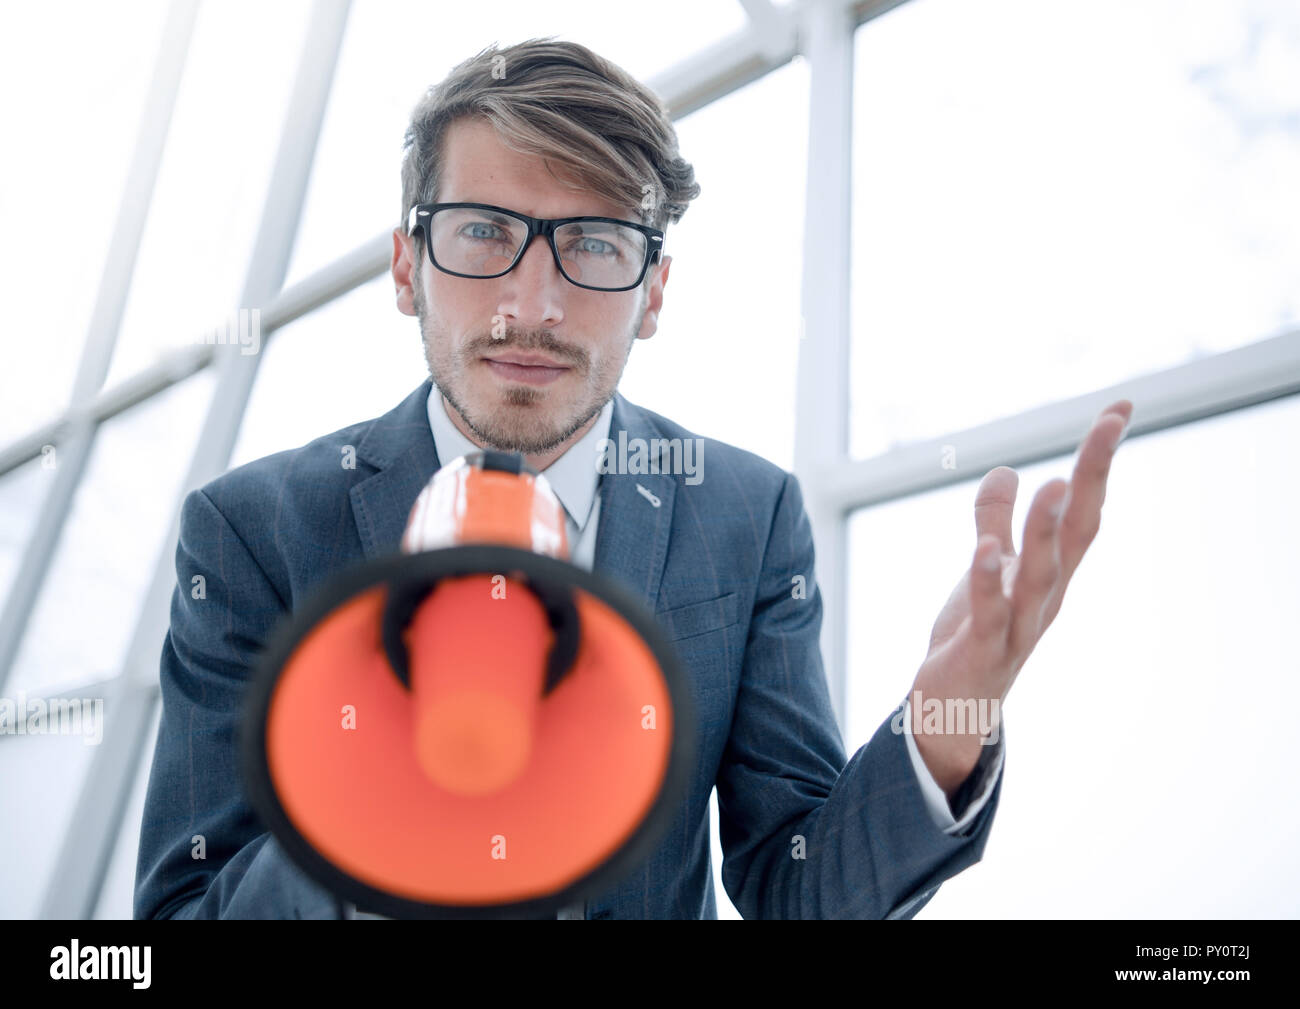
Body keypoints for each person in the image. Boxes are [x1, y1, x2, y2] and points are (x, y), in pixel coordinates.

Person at [134, 37, 1131, 920]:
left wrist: (943, 722)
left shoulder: (745, 516)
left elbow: (796, 886)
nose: (537, 305)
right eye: (483, 231)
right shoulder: (253, 529)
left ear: (652, 293)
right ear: (407, 266)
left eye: (594, 244)